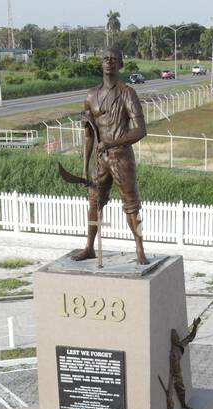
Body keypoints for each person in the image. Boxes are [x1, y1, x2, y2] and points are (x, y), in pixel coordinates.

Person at [70, 46, 148, 264]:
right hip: (100, 159)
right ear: (101, 63)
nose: (109, 62)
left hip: (121, 157)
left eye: (114, 59)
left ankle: (140, 248)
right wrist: (84, 167)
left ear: (120, 64)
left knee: (132, 205)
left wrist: (112, 142)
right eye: (105, 58)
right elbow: (88, 135)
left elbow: (140, 130)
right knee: (94, 204)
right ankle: (89, 247)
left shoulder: (127, 93)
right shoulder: (90, 96)